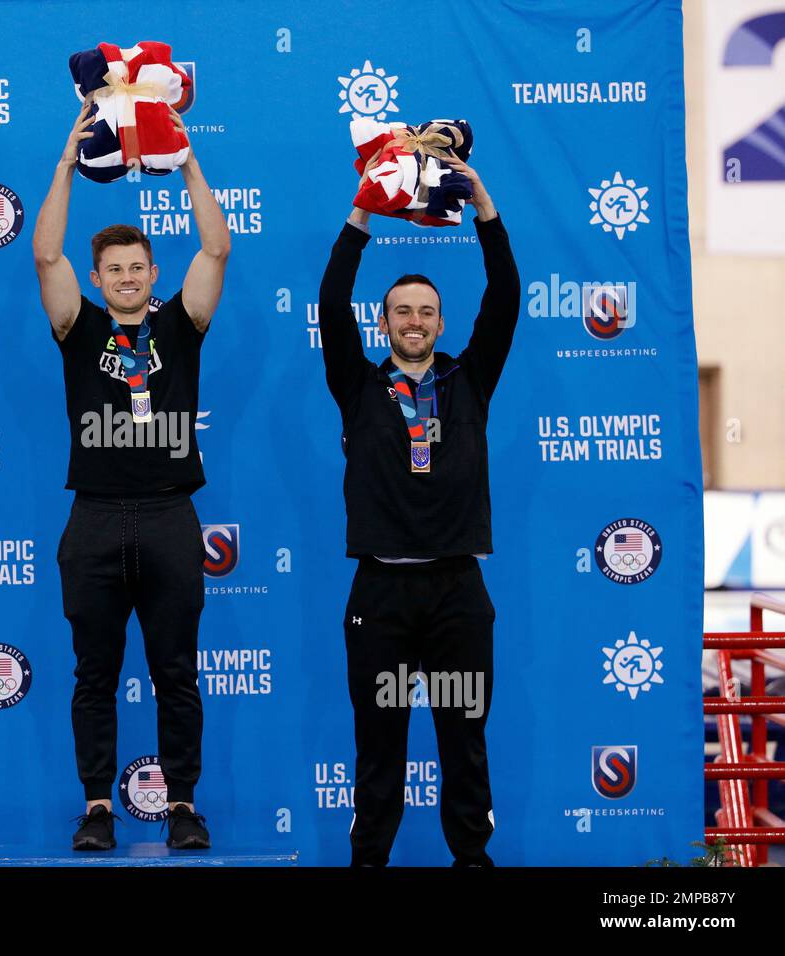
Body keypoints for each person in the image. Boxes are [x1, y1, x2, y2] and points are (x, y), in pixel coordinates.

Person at [32, 98, 230, 851]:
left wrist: (185, 160)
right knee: (94, 674)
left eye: (136, 267)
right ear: (98, 276)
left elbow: (215, 250)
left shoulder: (182, 325)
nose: (124, 277)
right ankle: (96, 807)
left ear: (153, 272)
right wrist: (64, 166)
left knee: (177, 671)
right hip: (96, 518)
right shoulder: (77, 327)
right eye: (111, 268)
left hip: (172, 517)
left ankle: (182, 805)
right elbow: (45, 256)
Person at [317, 150, 519, 866]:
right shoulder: (357, 384)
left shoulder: (471, 380)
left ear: (440, 323)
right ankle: (369, 858)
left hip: (458, 592)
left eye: (426, 312)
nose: (415, 321)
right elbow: (330, 298)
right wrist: (362, 212)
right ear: (384, 321)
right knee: (380, 740)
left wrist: (485, 207)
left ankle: (472, 858)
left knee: (464, 736)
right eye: (402, 311)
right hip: (382, 591)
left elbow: (506, 295)